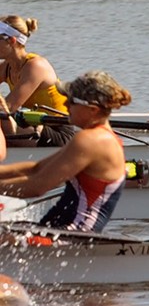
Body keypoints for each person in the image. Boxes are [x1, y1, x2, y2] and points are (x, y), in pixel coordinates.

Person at [0, 70, 131, 231]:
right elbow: (37, 168)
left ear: (93, 110)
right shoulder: (95, 137)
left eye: (72, 101)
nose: (66, 104)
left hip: (75, 235)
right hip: (58, 229)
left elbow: (38, 186)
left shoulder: (92, 140)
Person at [1, 15, 73, 149]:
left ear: (11, 40)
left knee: (3, 120)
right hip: (33, 124)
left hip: (59, 132)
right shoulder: (7, 66)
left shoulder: (36, 66)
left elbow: (9, 108)